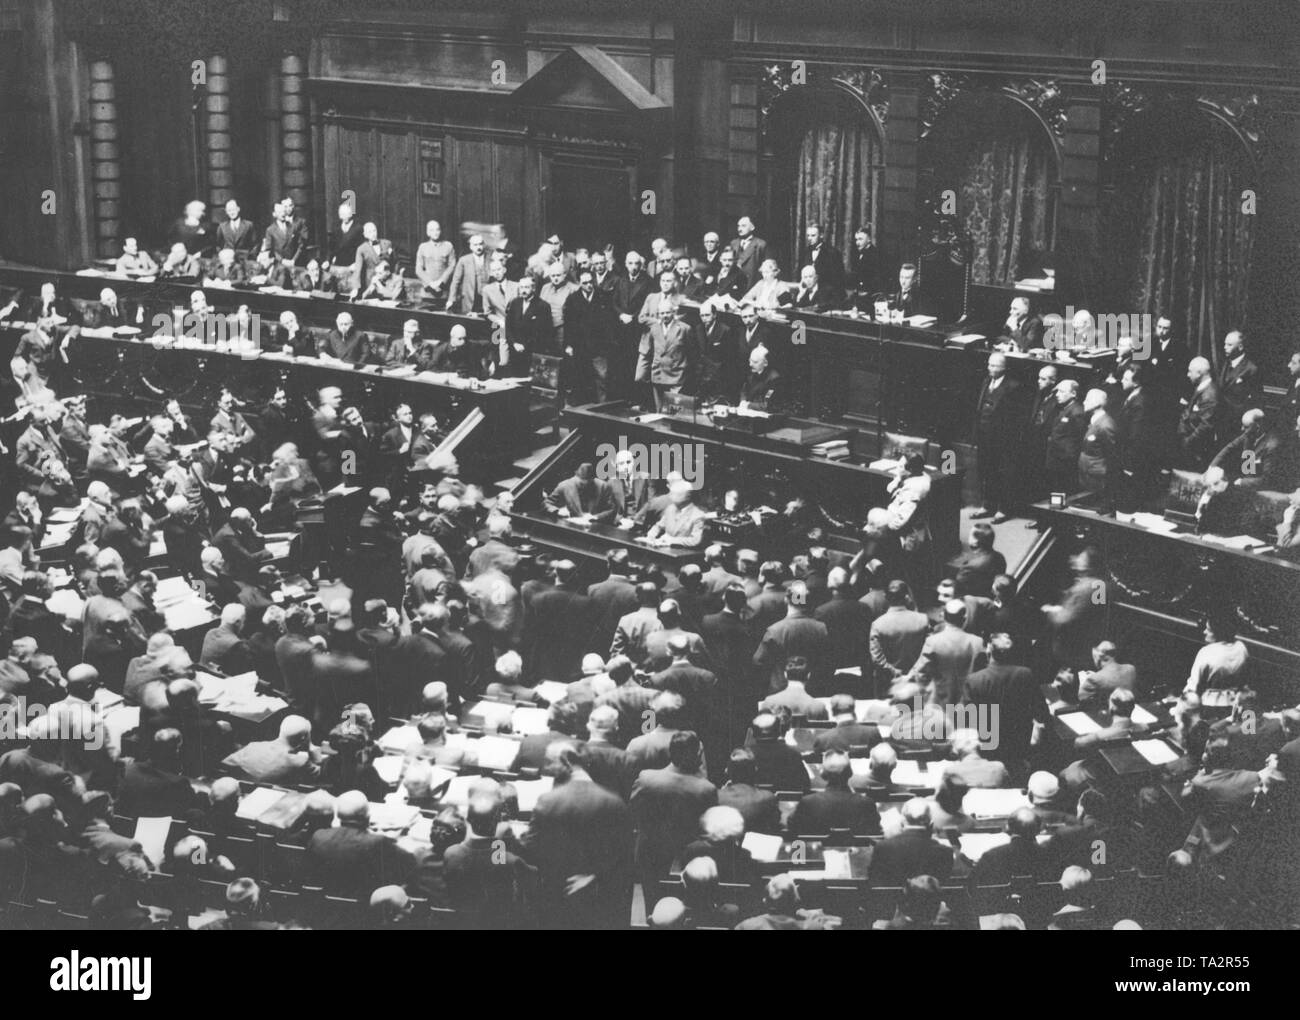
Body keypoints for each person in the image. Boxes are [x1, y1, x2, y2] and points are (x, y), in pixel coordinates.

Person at [973, 352, 1021, 522]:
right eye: (989, 364)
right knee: (986, 472)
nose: (990, 368)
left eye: (994, 365)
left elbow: (1014, 419)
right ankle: (987, 505)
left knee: (1003, 475)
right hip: (984, 438)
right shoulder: (986, 382)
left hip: (1002, 442)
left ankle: (1003, 509)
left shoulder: (1013, 387)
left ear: (1004, 368)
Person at [789, 751, 881, 837]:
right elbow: (875, 831)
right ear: (850, 773)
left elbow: (793, 827)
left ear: (823, 774)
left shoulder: (808, 802)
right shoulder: (866, 803)